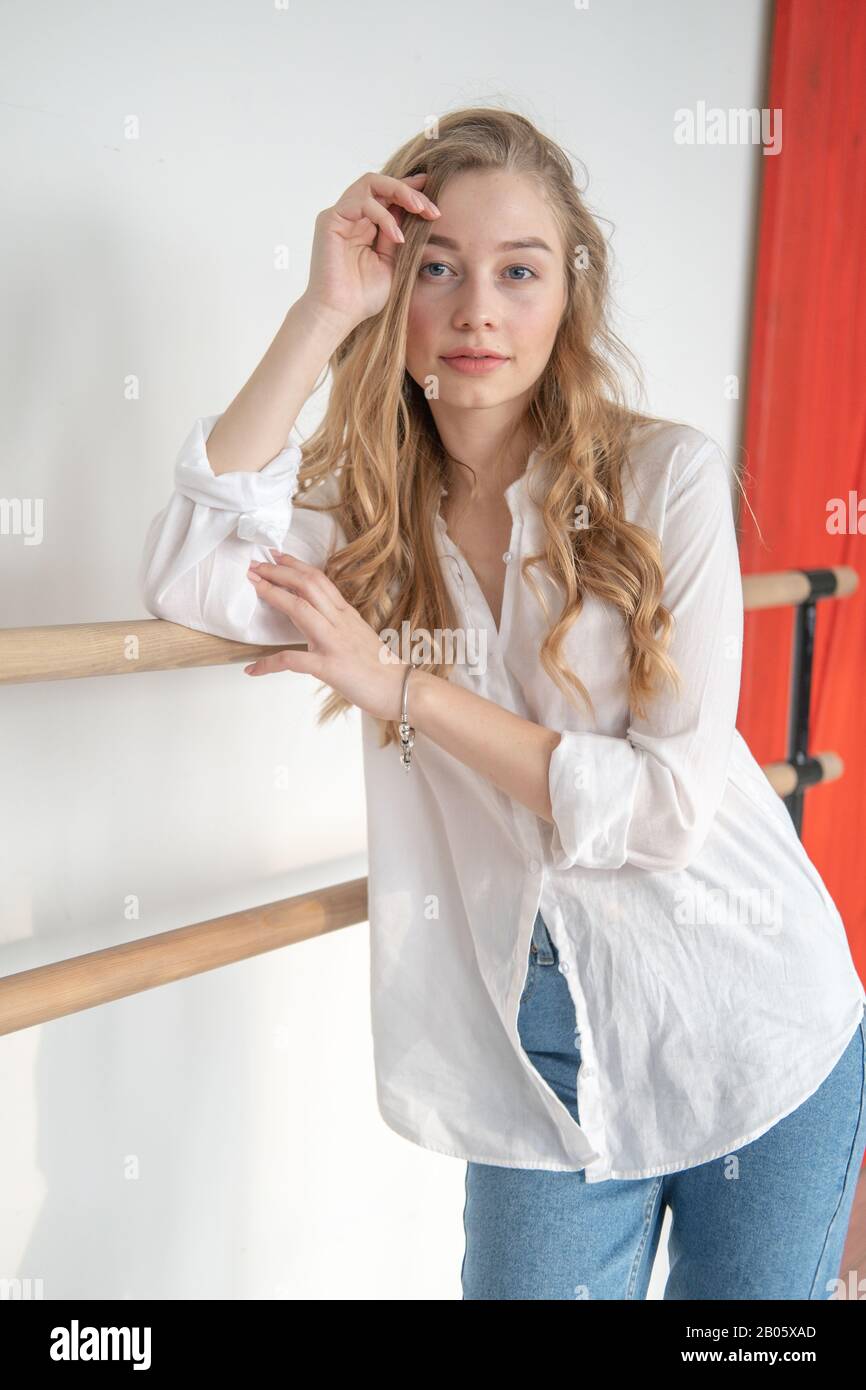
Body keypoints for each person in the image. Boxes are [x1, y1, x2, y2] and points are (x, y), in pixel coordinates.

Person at [138, 107, 866, 1300]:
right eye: (436, 270)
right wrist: (320, 311)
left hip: (752, 1011)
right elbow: (189, 567)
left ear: (566, 298)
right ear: (394, 293)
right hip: (531, 1036)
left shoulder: (659, 476)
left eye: (517, 272)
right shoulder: (368, 523)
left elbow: (667, 810)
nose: (476, 309)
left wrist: (398, 685)